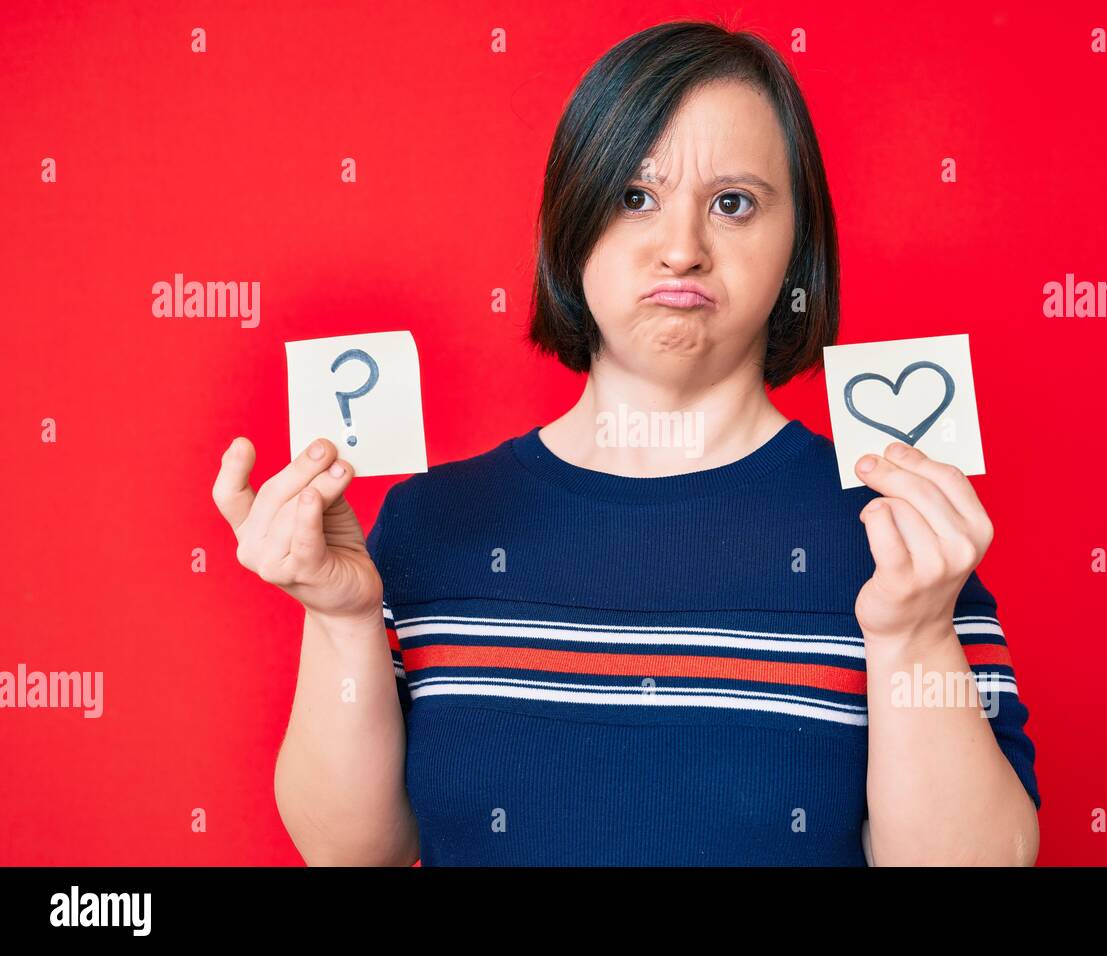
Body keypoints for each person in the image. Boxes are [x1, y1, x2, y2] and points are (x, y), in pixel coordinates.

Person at [212, 19, 1040, 866]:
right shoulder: (432, 521)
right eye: (634, 197)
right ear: (572, 229)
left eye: (734, 203)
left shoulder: (901, 541)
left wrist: (914, 635)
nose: (682, 249)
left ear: (798, 247)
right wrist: (341, 619)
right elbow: (356, 855)